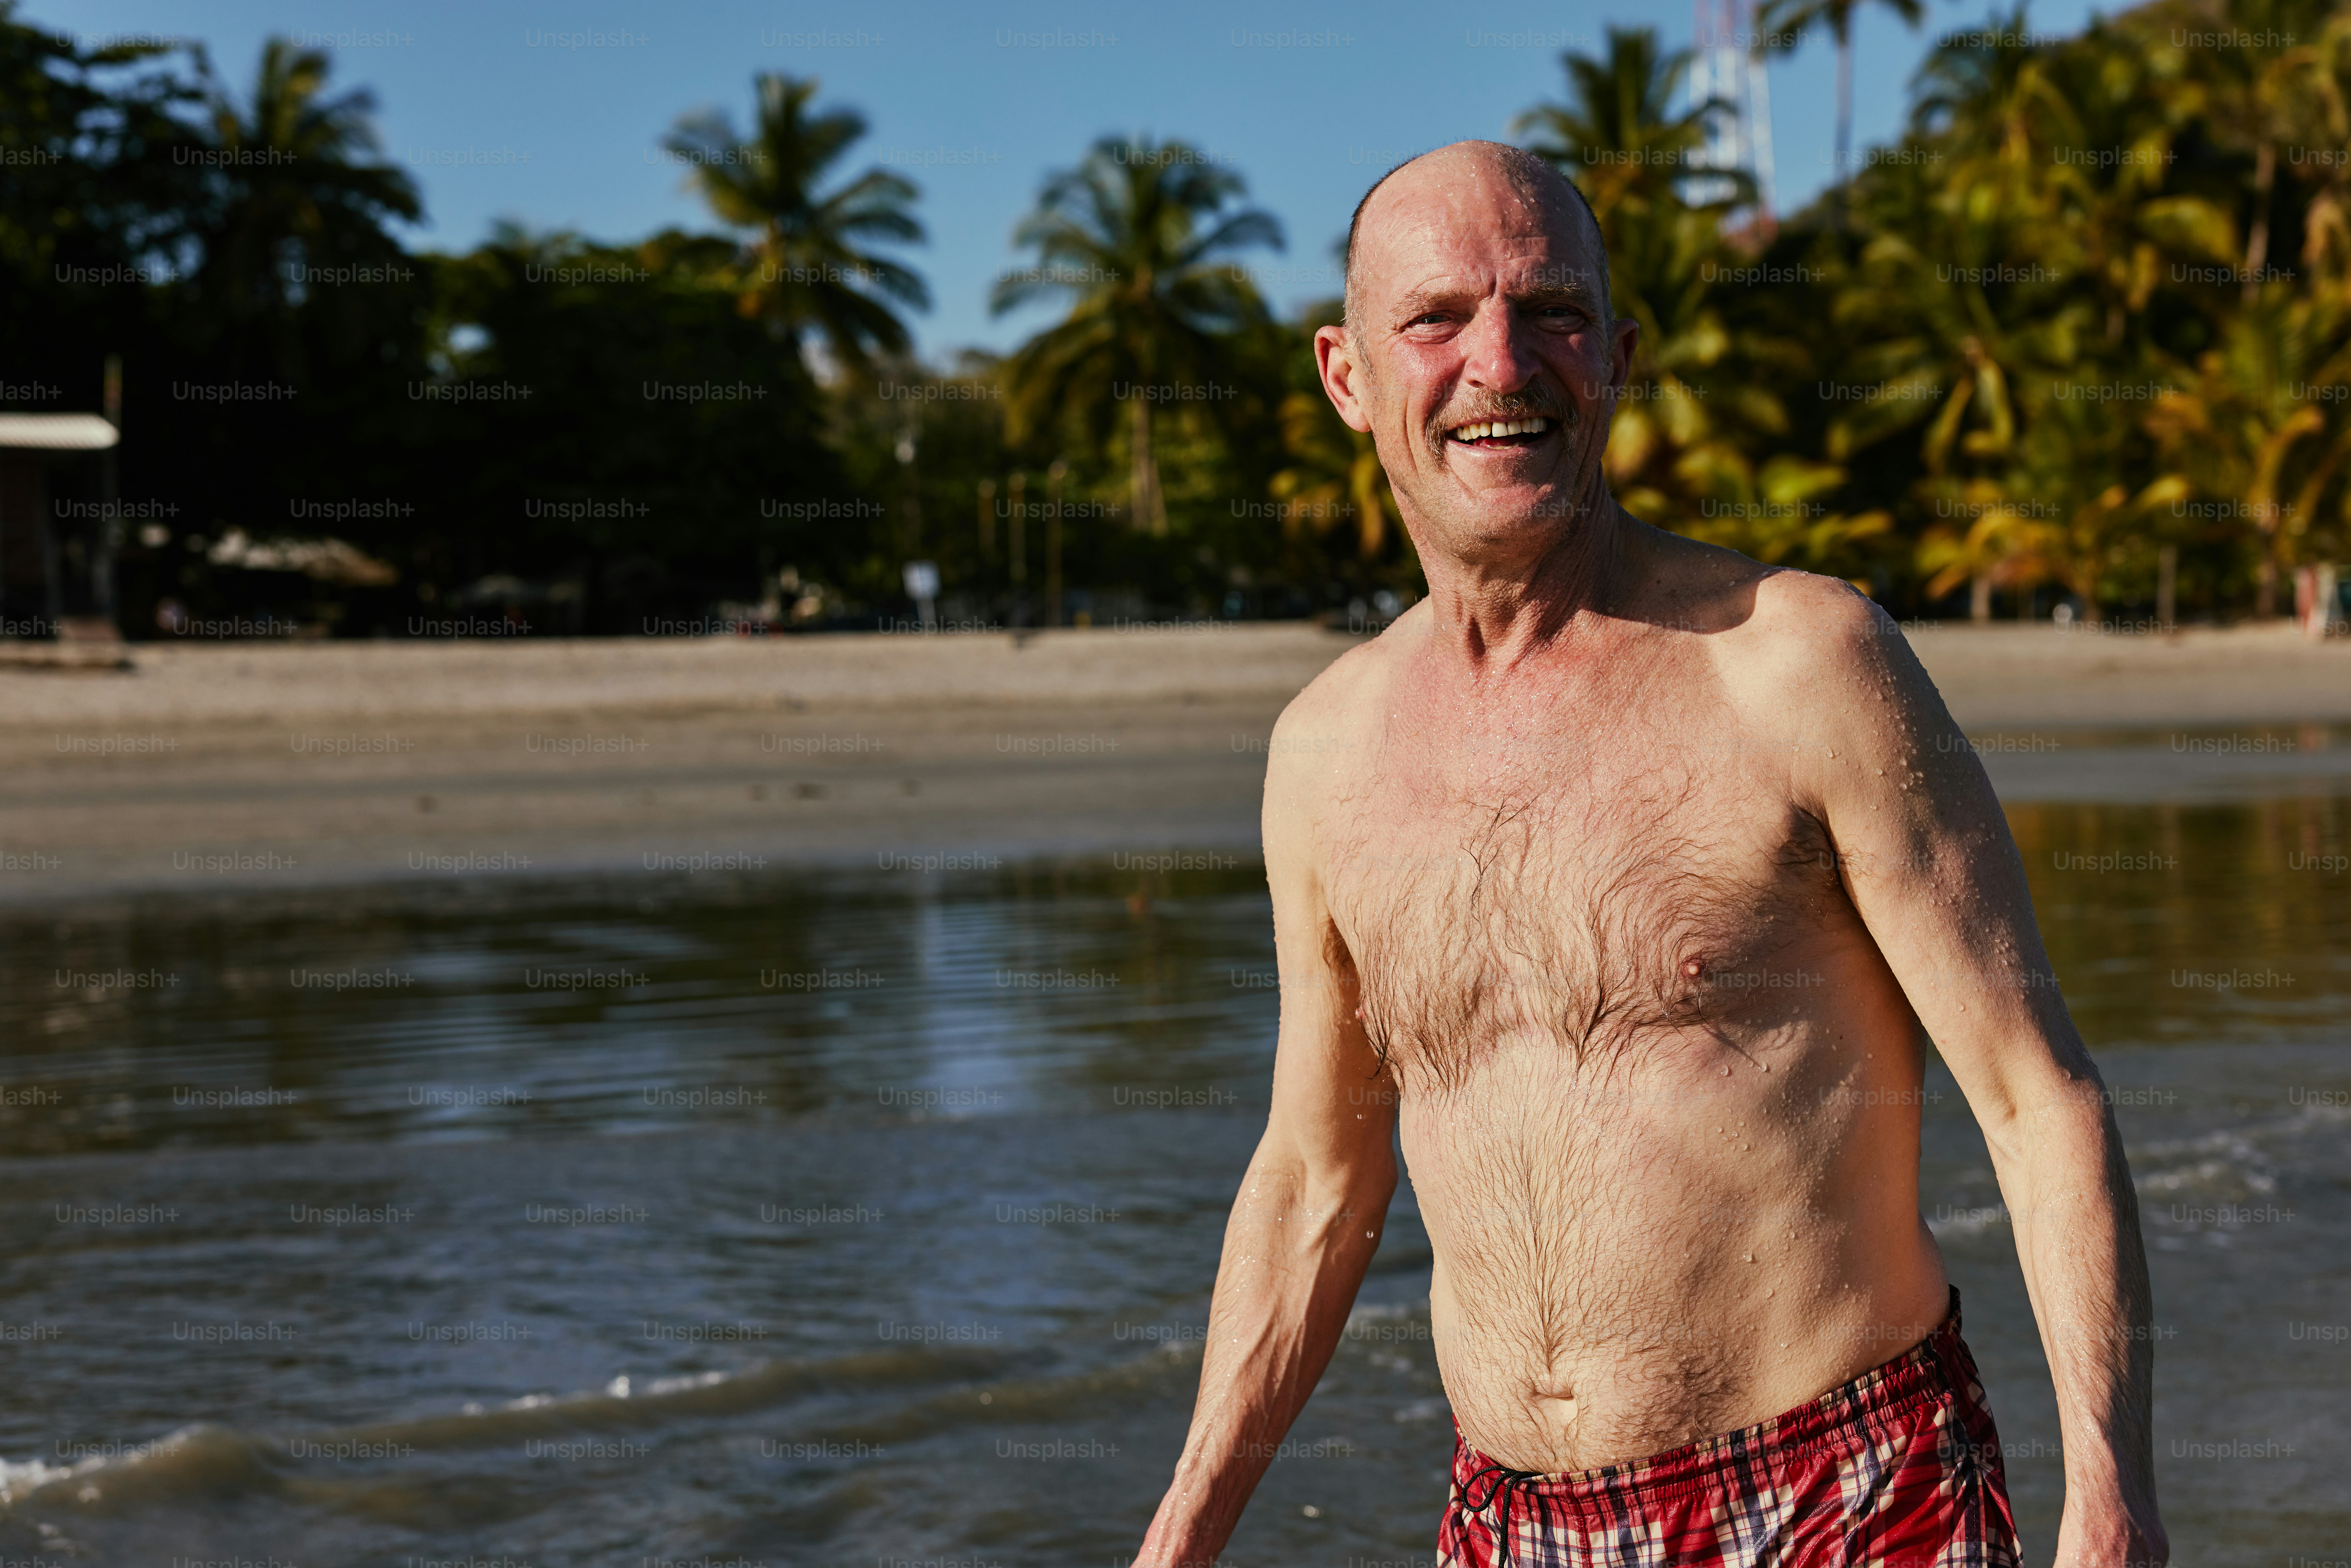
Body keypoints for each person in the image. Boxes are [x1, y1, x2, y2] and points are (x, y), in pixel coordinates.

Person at [1134, 142, 2164, 1568]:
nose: (1502, 363)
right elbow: (1318, 1181)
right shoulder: (1322, 756)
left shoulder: (1800, 665)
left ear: (1616, 355)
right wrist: (1178, 1540)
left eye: (1551, 309)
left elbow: (2037, 1098)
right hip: (1505, 1529)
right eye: (1436, 318)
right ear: (1348, 376)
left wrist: (2109, 1503)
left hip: (1852, 1499)